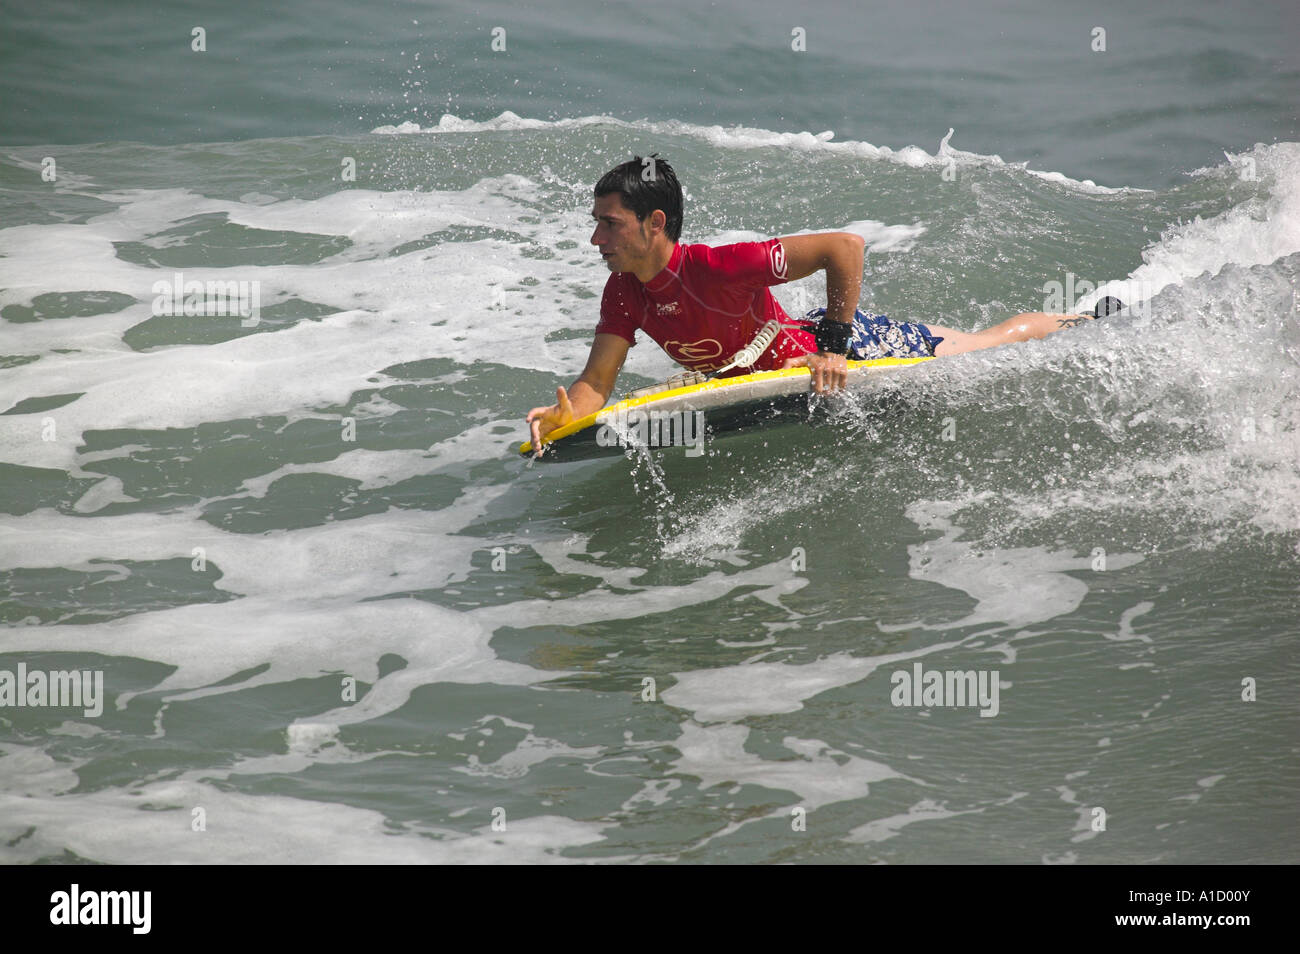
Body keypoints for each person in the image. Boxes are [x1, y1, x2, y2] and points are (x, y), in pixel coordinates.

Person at [526, 155, 1122, 453]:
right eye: (596, 225)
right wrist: (565, 418)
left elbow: (845, 247)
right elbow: (596, 382)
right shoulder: (622, 293)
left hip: (853, 345)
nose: (596, 239)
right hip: (771, 368)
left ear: (654, 224)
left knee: (989, 346)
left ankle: (1087, 320)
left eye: (609, 224)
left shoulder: (719, 267)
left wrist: (834, 349)